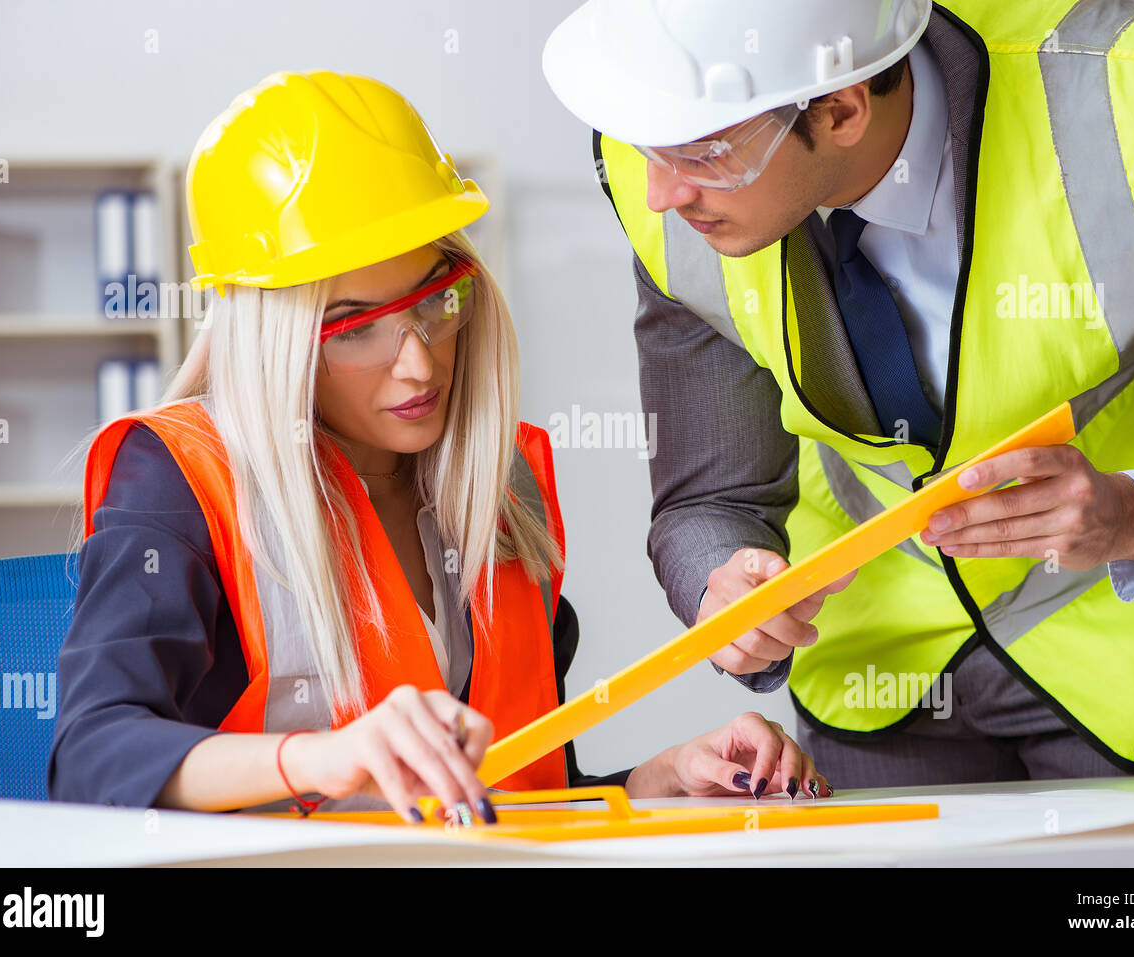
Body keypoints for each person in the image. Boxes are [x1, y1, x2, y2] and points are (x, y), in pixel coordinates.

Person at [47, 71, 832, 823]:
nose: (419, 362)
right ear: (272, 340)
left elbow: (507, 794)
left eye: (436, 300)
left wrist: (656, 782)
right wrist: (322, 758)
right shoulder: (177, 475)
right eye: (355, 326)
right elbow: (90, 757)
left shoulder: (501, 485)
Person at [543, 0, 1134, 786]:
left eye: (704, 153)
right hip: (874, 669)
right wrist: (723, 587)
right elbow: (708, 500)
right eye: (653, 150)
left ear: (842, 108)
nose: (659, 194)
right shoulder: (674, 163)